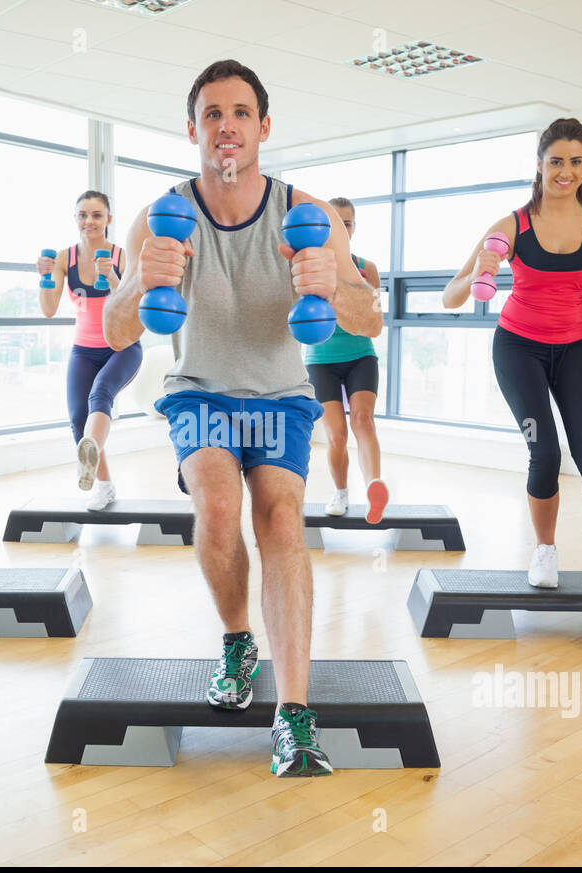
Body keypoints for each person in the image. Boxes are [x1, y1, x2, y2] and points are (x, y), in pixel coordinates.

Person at [104, 61, 381, 777]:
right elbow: (114, 331)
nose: (226, 125)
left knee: (283, 522)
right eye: (212, 113)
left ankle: (293, 715)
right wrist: (141, 277)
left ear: (263, 126)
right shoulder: (160, 214)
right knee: (219, 508)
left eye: (240, 112)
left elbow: (368, 317)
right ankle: (236, 641)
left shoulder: (306, 213)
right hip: (200, 390)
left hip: (283, 395)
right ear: (192, 127)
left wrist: (331, 284)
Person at [441, 117, 582, 600]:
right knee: (543, 449)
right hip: (518, 346)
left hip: (575, 347)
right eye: (557, 161)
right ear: (540, 165)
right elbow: (450, 297)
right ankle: (544, 550)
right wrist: (480, 269)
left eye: (576, 162)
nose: (566, 171)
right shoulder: (512, 225)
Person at [38, 191, 140, 510]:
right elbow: (49, 309)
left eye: (96, 215)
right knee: (77, 417)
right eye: (82, 215)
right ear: (76, 219)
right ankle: (105, 486)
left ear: (109, 219)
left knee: (100, 394)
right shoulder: (63, 258)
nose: (89, 221)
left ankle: (90, 450)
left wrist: (110, 275)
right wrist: (43, 277)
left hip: (122, 346)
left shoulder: (123, 256)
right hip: (83, 350)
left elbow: (130, 306)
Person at [303, 197, 388, 522]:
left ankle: (374, 489)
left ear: (353, 228)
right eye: (334, 223)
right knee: (336, 434)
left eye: (347, 223)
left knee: (363, 421)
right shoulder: (307, 267)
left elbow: (376, 321)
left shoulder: (368, 268)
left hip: (360, 355)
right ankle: (340, 492)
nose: (341, 229)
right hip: (320, 359)